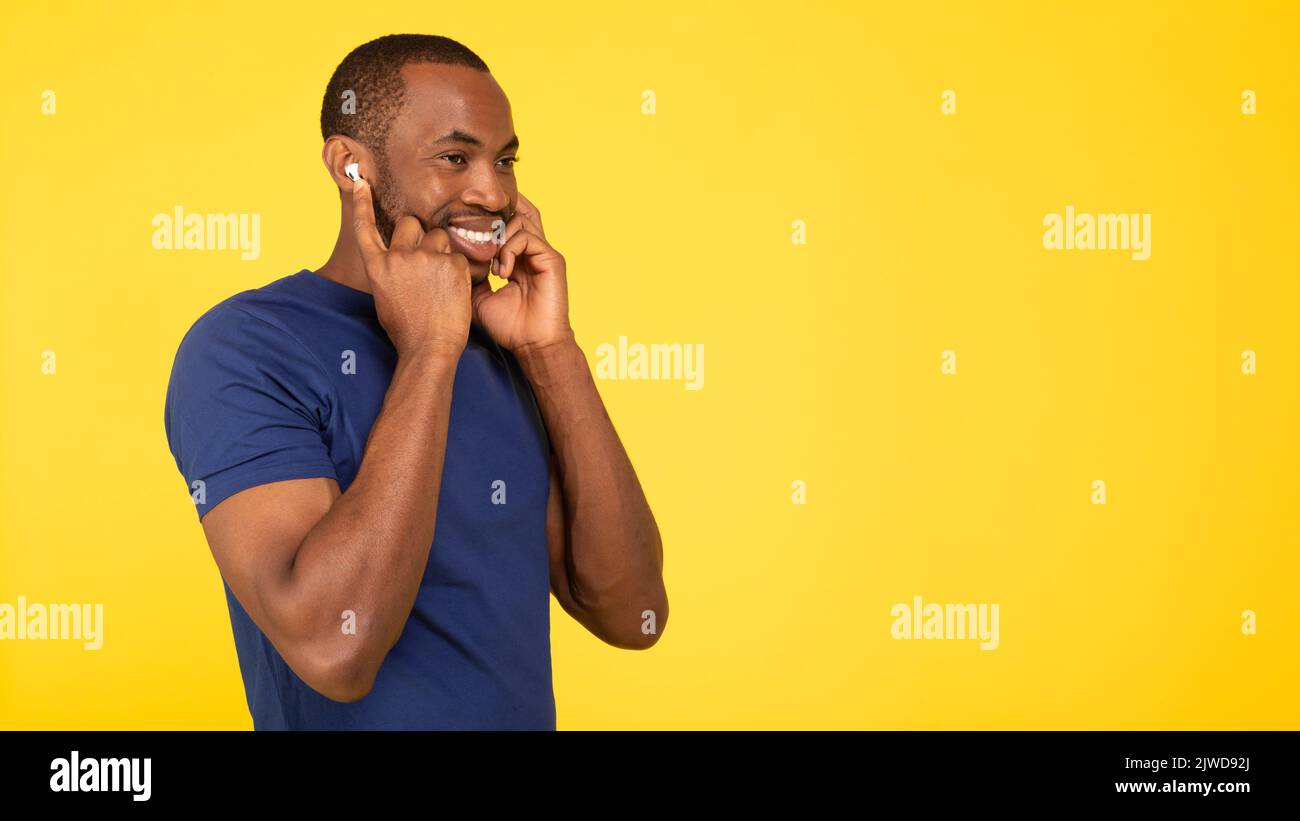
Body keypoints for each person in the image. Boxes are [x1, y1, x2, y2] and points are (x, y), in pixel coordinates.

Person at [163, 34, 668, 730]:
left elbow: (633, 612)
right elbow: (336, 648)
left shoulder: (504, 349)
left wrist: (553, 351)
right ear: (352, 169)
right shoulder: (246, 347)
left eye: (505, 160)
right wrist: (429, 351)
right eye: (455, 157)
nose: (493, 191)